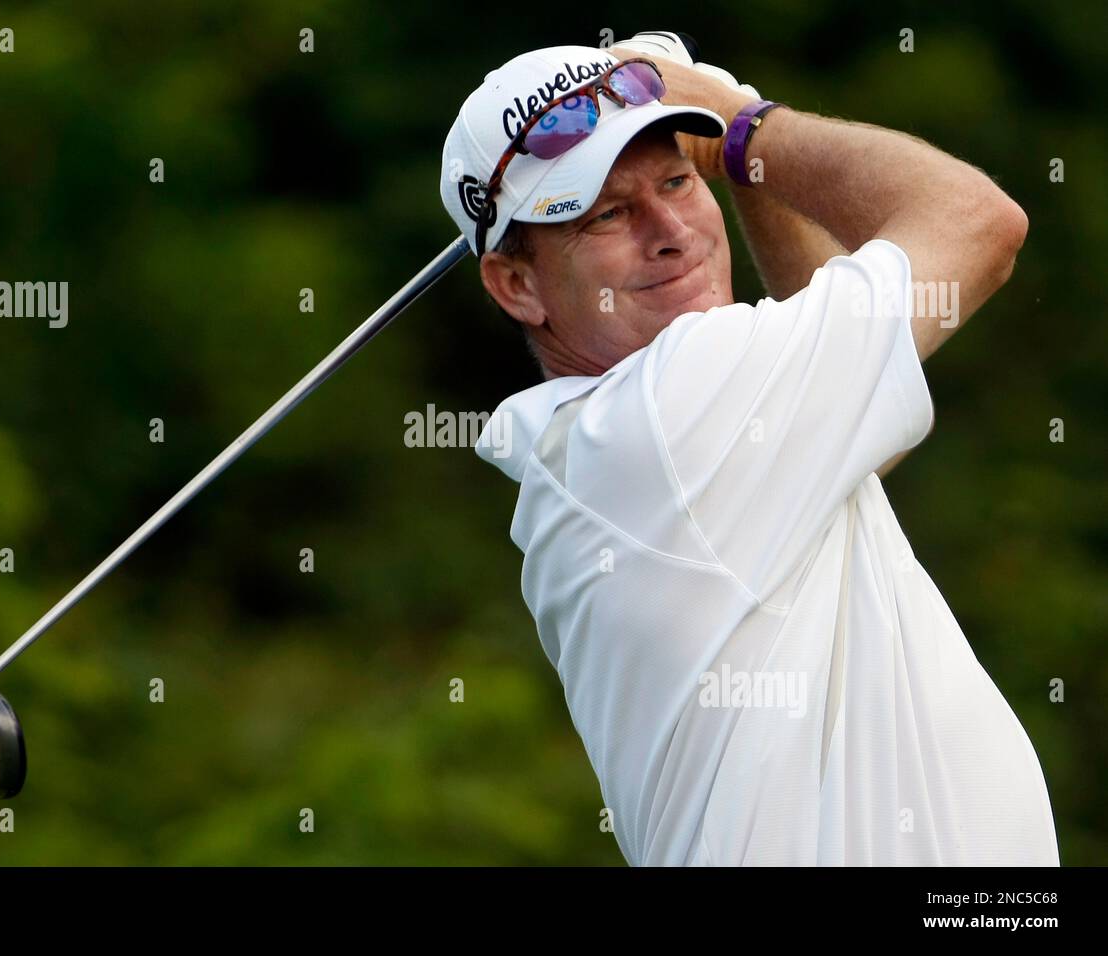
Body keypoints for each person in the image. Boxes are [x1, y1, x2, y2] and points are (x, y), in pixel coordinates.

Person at [439, 36, 1058, 865]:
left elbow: (858, 450)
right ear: (516, 284)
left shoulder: (633, 435)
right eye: (607, 215)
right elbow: (979, 220)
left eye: (677, 180)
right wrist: (739, 124)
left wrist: (744, 169)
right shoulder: (668, 411)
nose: (670, 232)